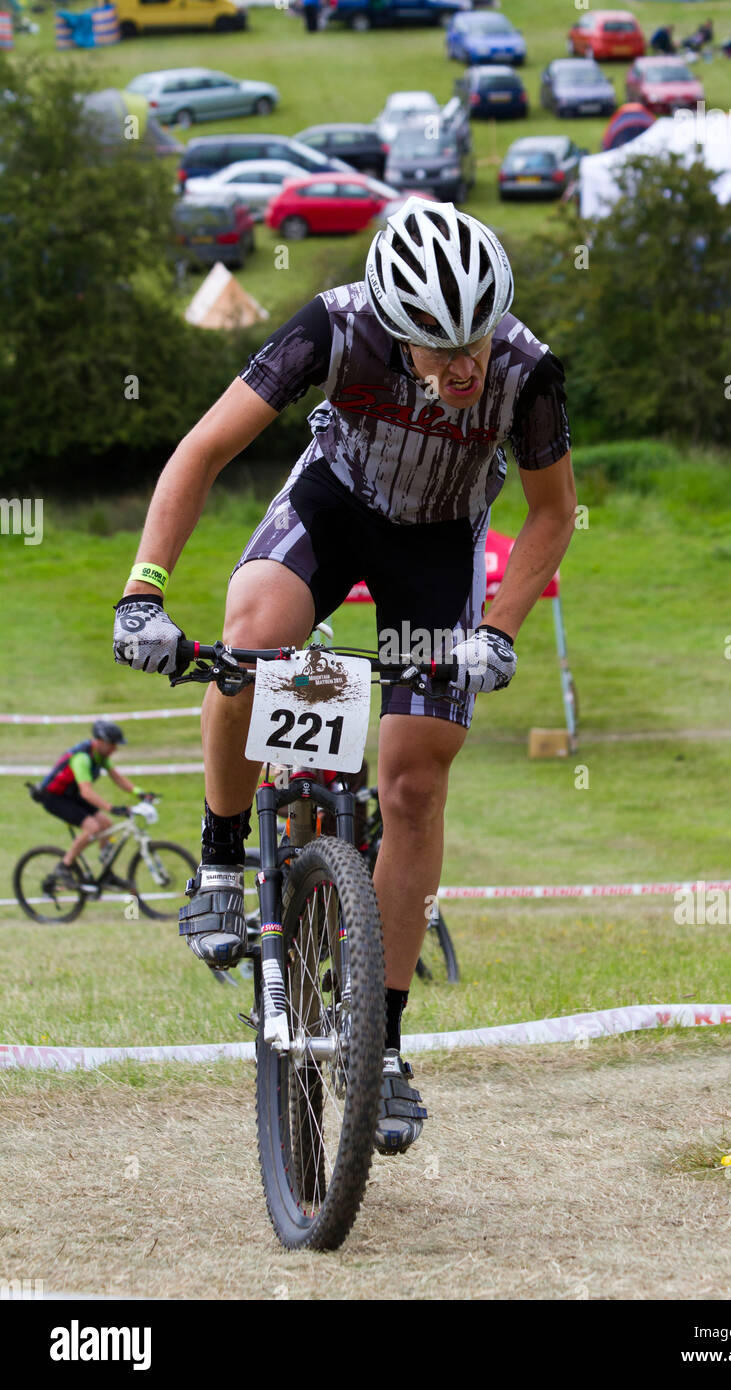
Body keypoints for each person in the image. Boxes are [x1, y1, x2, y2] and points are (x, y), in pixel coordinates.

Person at [113, 198, 575, 1155]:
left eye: (475, 342)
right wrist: (144, 593)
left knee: (413, 779)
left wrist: (496, 630)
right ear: (395, 328)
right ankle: (220, 853)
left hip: (440, 544)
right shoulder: (335, 325)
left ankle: (388, 1044)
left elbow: (550, 514)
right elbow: (202, 449)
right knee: (254, 637)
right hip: (334, 503)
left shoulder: (526, 373)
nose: (464, 368)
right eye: (439, 347)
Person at [36, 721, 146, 886]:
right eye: (113, 745)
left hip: (71, 795)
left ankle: (106, 873)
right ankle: (64, 865)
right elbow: (86, 792)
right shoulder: (82, 758)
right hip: (53, 797)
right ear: (101, 742)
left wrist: (140, 793)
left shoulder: (100, 756)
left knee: (107, 825)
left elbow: (117, 778)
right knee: (92, 828)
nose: (115, 749)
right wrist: (111, 808)